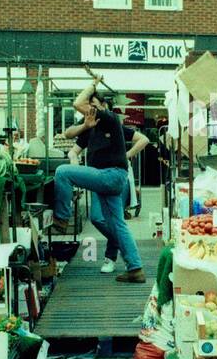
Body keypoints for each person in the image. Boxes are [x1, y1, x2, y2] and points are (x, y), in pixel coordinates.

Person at [52, 81, 145, 282]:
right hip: (108, 178)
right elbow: (67, 134)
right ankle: (135, 268)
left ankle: (61, 219)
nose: (89, 109)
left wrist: (92, 85)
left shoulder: (109, 117)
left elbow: (78, 102)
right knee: (117, 224)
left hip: (110, 176)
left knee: (62, 172)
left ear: (100, 106)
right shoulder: (92, 125)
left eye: (92, 105)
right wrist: (85, 125)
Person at [93, 103, 149, 273]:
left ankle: (111, 258)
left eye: (98, 106)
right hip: (98, 178)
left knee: (115, 219)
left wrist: (126, 155)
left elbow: (144, 139)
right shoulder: (92, 128)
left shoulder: (115, 126)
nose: (95, 110)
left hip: (117, 177)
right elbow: (73, 144)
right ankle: (122, 245)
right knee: (98, 218)